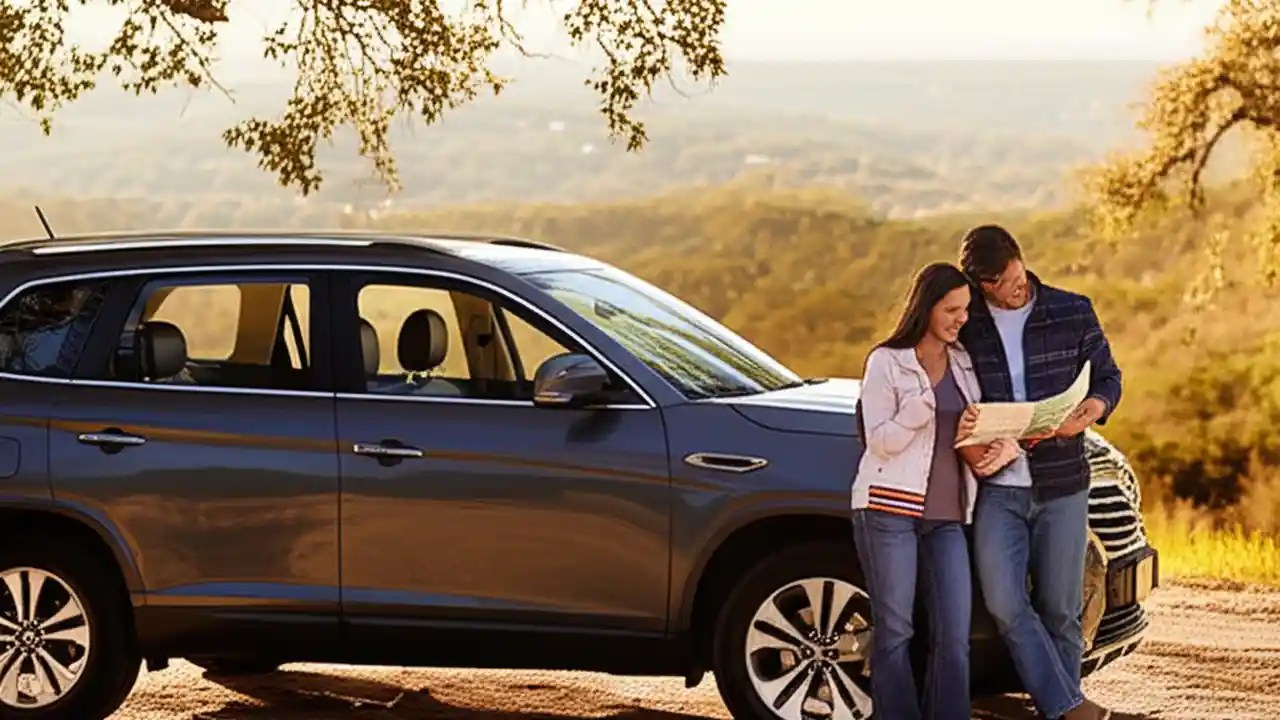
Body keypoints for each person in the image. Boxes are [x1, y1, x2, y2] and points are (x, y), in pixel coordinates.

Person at [955, 225, 1123, 720]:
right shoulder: (969, 325)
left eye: (1019, 272)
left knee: (1061, 613)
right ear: (981, 283)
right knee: (1006, 605)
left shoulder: (1072, 309)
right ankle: (1069, 707)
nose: (1018, 285)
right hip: (997, 490)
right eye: (1005, 282)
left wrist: (1091, 408)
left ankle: (1059, 710)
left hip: (1062, 486)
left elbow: (1110, 377)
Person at [851, 262, 1018, 720]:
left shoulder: (963, 362)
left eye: (965, 309)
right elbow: (879, 439)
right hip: (888, 511)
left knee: (954, 633)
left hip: (946, 517)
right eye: (952, 309)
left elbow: (970, 433)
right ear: (926, 307)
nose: (960, 318)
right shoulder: (886, 361)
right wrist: (917, 407)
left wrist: (1004, 445)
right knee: (896, 630)